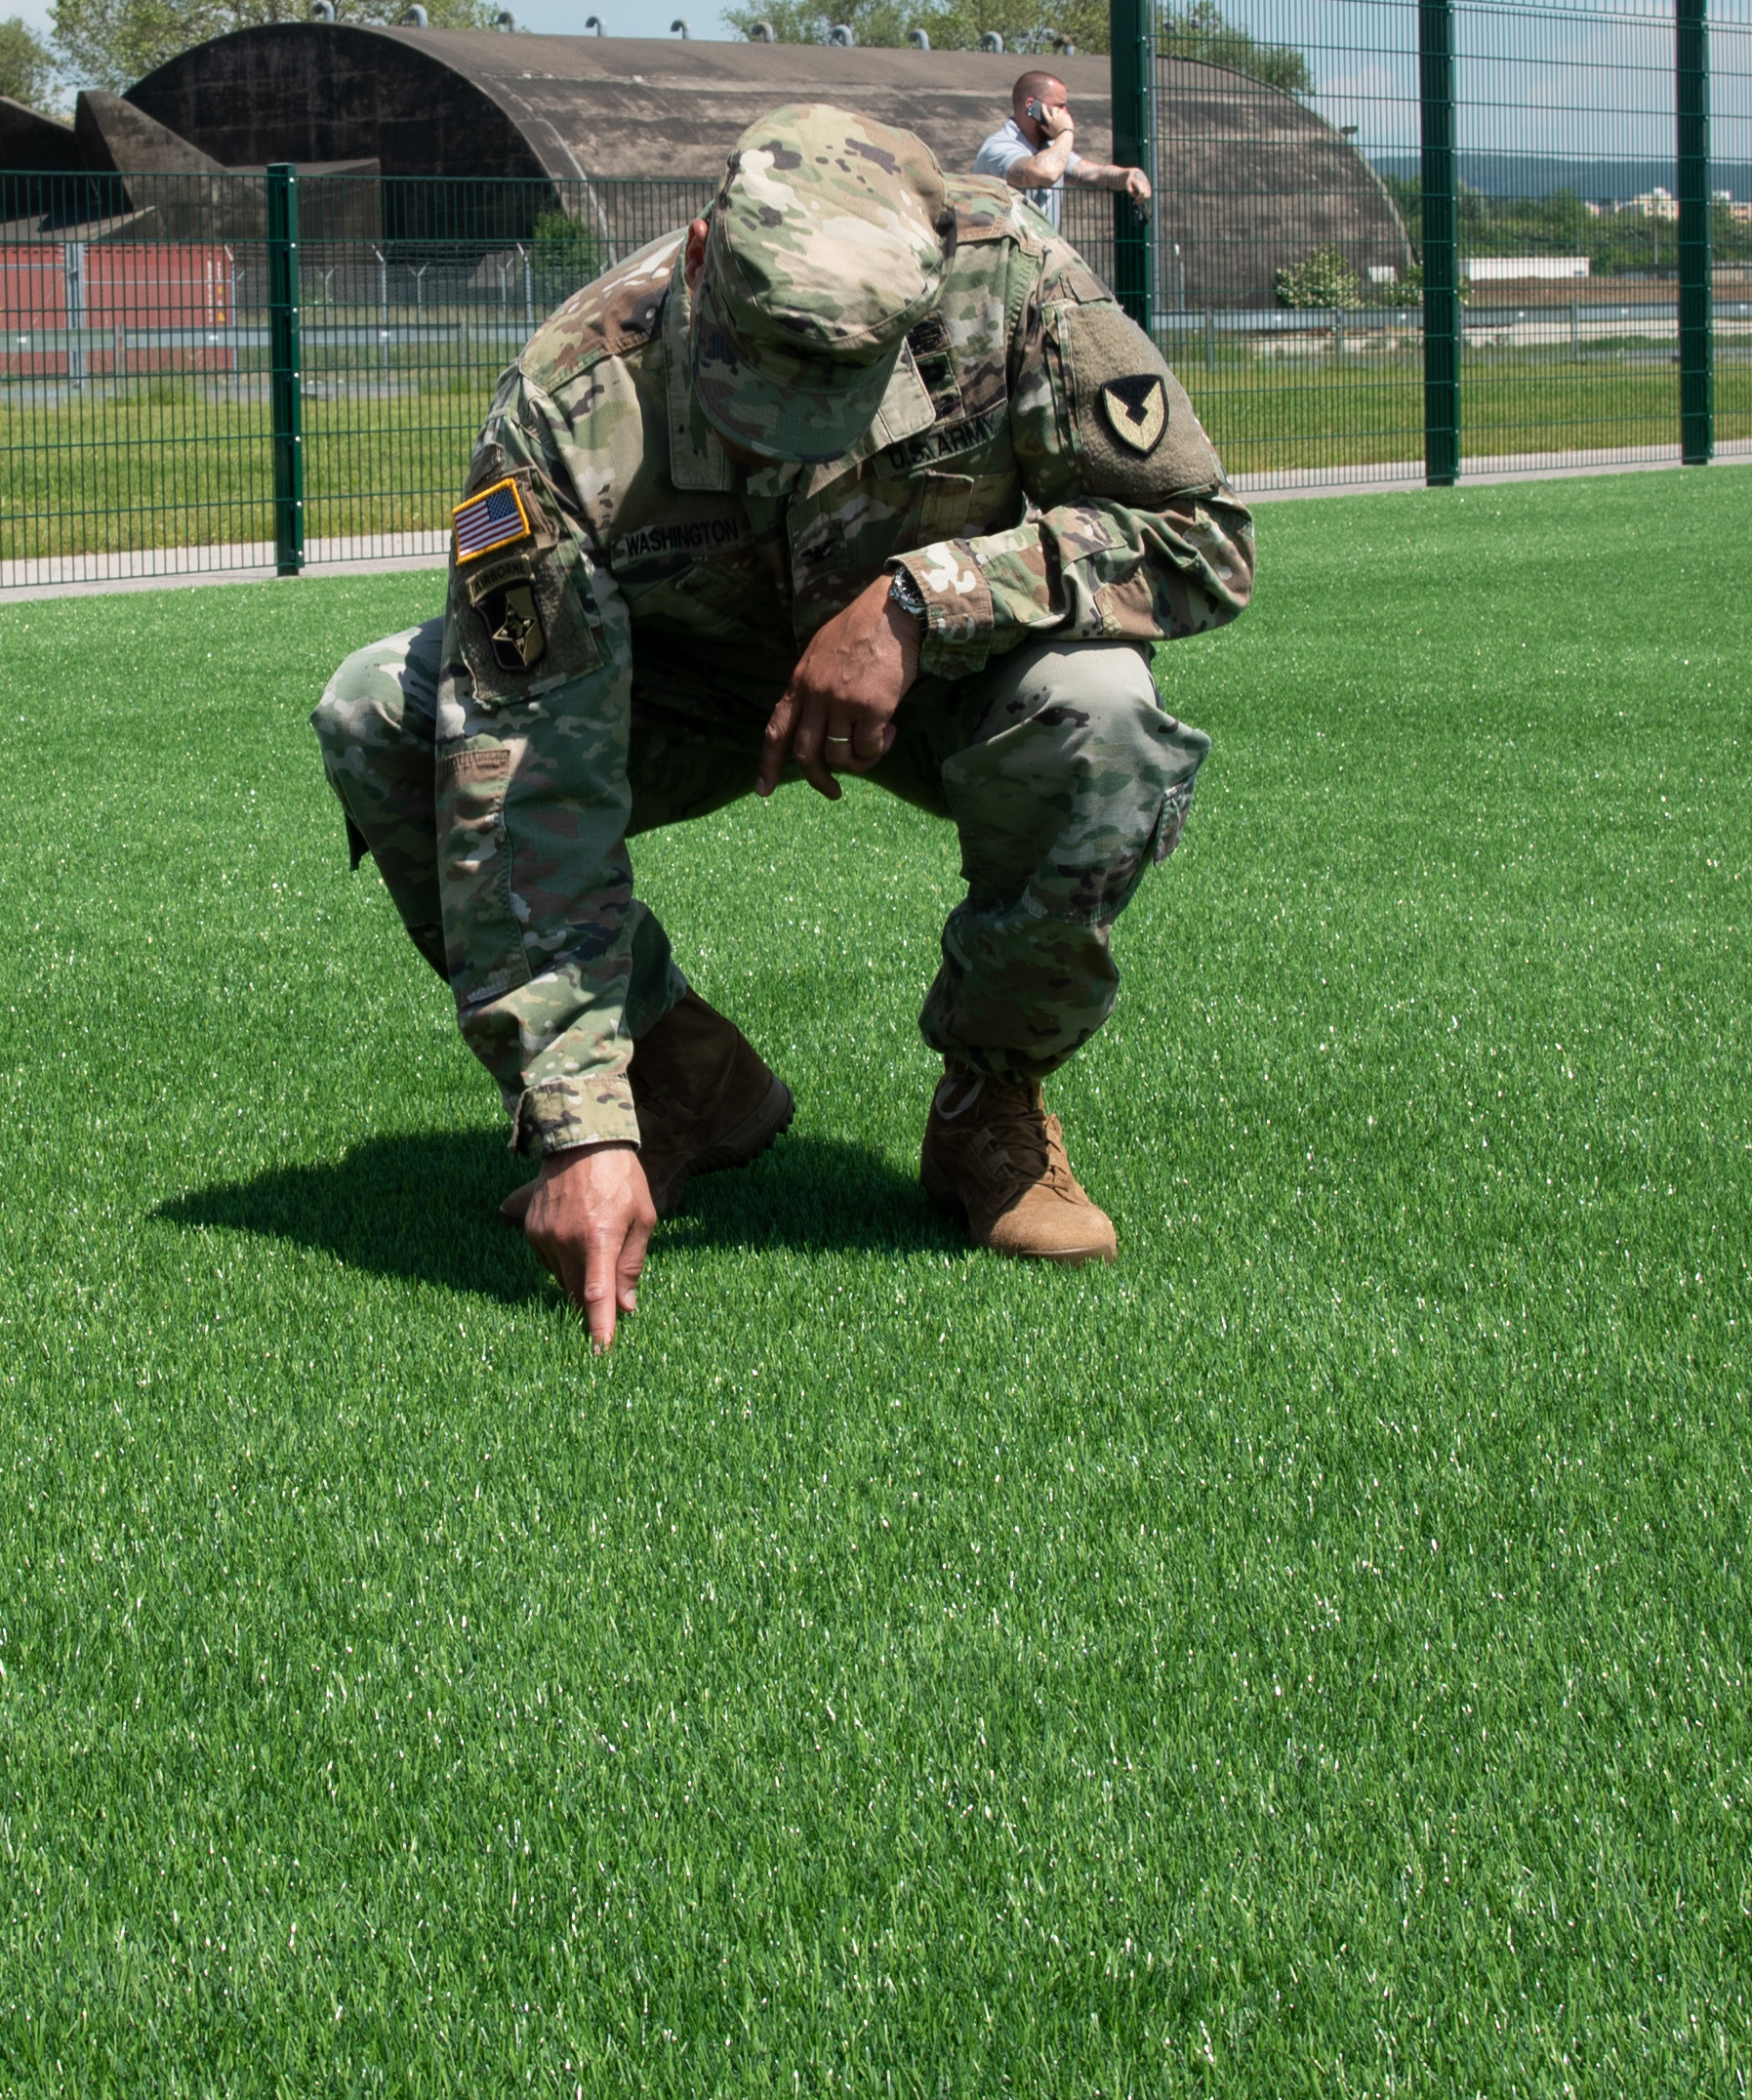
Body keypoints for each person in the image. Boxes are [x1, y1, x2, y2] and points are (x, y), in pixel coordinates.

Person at [312, 103, 1253, 1348]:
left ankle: (991, 1094)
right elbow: (519, 760)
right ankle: (671, 1069)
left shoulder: (1014, 278)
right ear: (701, 256)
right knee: (385, 712)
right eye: (755, 366)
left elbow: (1203, 541)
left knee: (1105, 715)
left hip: (940, 686)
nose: (780, 425)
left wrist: (929, 598)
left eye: (836, 383)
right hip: (676, 691)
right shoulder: (572, 390)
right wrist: (574, 1120)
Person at [969, 64, 1151, 236]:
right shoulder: (998, 147)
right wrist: (1065, 131)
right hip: (1002, 264)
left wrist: (1129, 174)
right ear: (1032, 106)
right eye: (1060, 106)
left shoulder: (1049, 150)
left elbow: (1092, 174)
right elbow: (1043, 172)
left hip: (1038, 261)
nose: (1066, 114)